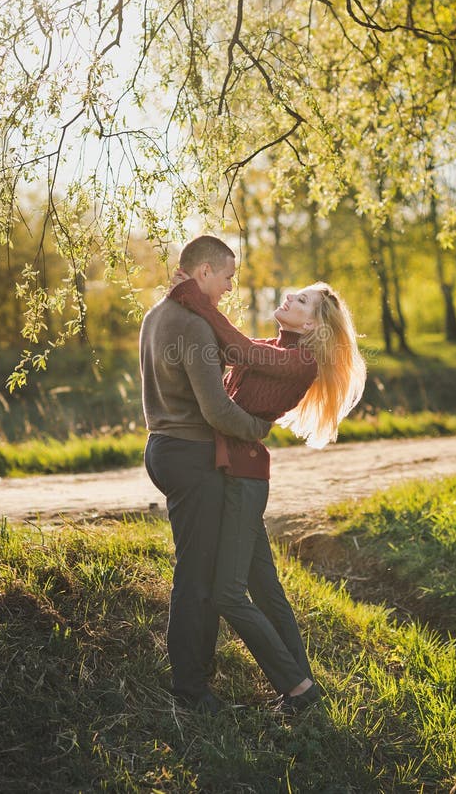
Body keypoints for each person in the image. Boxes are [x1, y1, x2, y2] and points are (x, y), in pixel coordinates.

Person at [169, 271, 366, 714]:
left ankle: (296, 688)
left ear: (312, 325)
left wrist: (196, 298)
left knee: (228, 595)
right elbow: (229, 347)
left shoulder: (300, 362)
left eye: (300, 302)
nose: (288, 300)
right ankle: (304, 689)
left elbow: (237, 348)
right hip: (237, 475)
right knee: (266, 588)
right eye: (292, 295)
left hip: (243, 481)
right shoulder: (277, 348)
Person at [139, 236, 272, 715]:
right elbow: (215, 410)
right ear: (204, 273)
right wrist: (257, 427)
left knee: (196, 569)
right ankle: (191, 692)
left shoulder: (155, 315)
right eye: (228, 276)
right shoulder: (192, 323)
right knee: (197, 576)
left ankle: (195, 682)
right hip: (192, 455)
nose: (231, 287)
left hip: (161, 447)